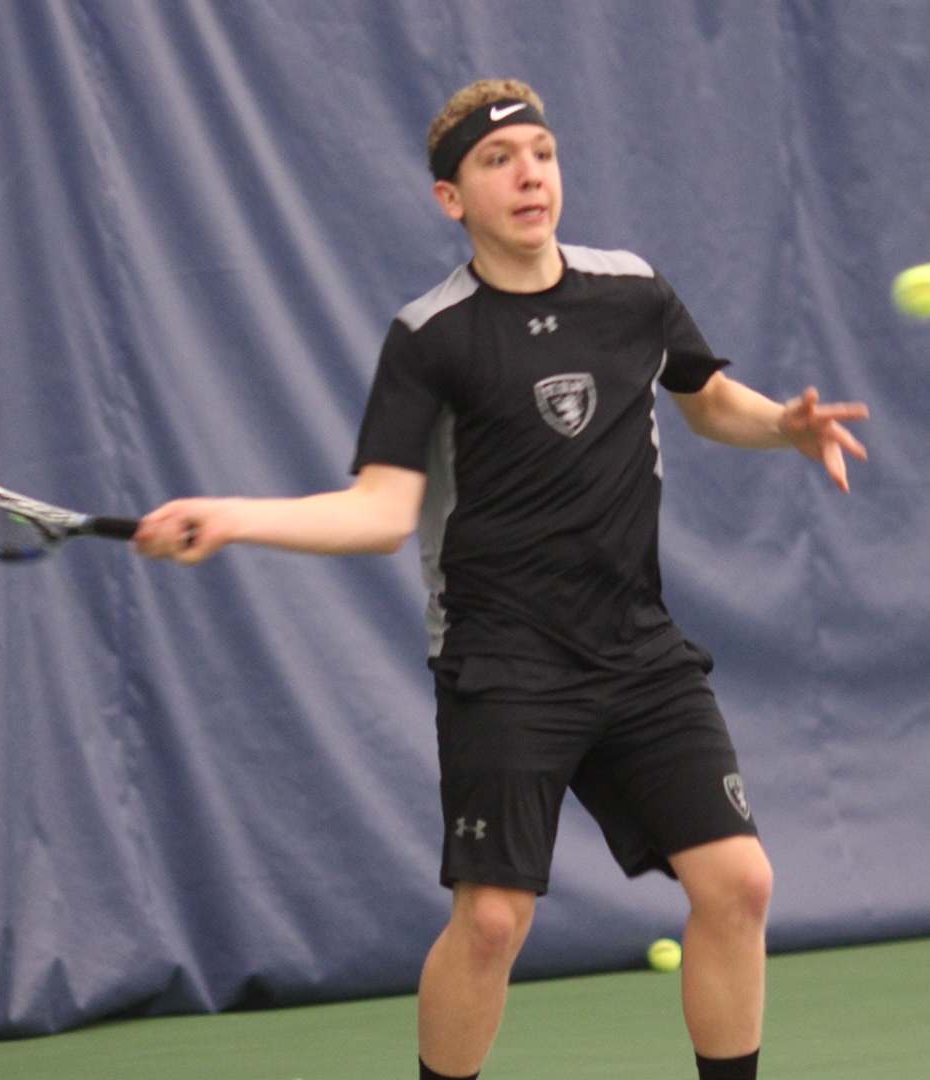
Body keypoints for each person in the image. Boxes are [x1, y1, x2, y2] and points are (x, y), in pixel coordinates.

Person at [134, 78, 868, 1080]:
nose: (530, 175)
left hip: (638, 651)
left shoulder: (632, 292)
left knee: (740, 882)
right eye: (498, 161)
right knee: (489, 922)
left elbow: (705, 400)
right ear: (451, 198)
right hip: (504, 665)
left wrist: (783, 424)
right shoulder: (430, 338)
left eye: (542, 154)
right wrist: (233, 518)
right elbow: (379, 512)